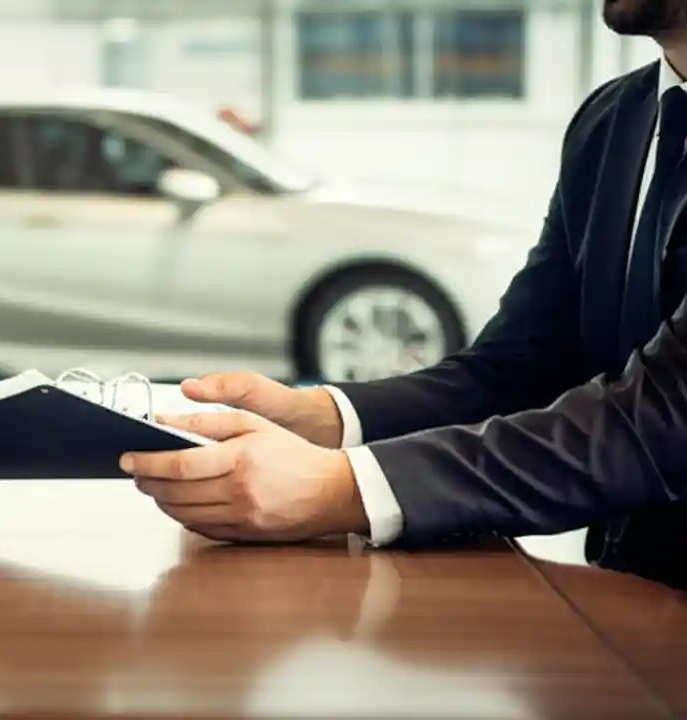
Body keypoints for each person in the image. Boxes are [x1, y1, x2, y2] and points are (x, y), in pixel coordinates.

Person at [124, 0, 687, 588]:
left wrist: (341, 487)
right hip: (622, 607)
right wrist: (323, 419)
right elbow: (521, 369)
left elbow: (664, 419)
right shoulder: (614, 119)